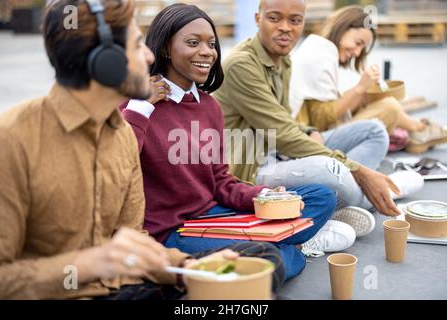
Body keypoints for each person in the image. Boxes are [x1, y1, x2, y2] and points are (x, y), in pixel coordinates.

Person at [0, 0, 286, 299]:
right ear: (104, 60)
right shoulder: (13, 139)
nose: (149, 54)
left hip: (128, 286)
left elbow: (136, 238)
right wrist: (87, 264)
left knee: (253, 272)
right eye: (137, 46)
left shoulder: (122, 134)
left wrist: (186, 267)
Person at [121, 3, 358, 281]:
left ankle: (274, 245)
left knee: (321, 197)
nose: (207, 52)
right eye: (193, 43)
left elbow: (220, 181)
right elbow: (118, 171)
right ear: (165, 49)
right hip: (173, 233)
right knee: (272, 260)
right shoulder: (136, 106)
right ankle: (290, 247)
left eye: (212, 44)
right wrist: (140, 107)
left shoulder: (208, 106)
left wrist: (260, 195)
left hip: (215, 215)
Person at [213, 0, 405, 234]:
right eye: (274, 18)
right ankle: (386, 192)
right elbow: (284, 135)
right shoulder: (241, 65)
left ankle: (352, 198)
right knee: (331, 169)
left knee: (375, 131)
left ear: (303, 22)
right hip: (254, 166)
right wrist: (358, 170)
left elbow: (282, 118)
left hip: (280, 150)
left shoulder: (283, 59)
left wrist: (306, 130)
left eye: (295, 20)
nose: (285, 27)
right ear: (257, 19)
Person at [290, 5, 447, 154]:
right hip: (312, 140)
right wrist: (360, 88)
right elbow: (320, 119)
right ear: (343, 27)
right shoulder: (319, 57)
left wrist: (364, 94)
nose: (358, 53)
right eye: (358, 43)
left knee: (371, 99)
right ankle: (419, 130)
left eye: (362, 48)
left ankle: (418, 130)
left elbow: (321, 107)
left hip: (315, 133)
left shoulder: (318, 48)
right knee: (390, 107)